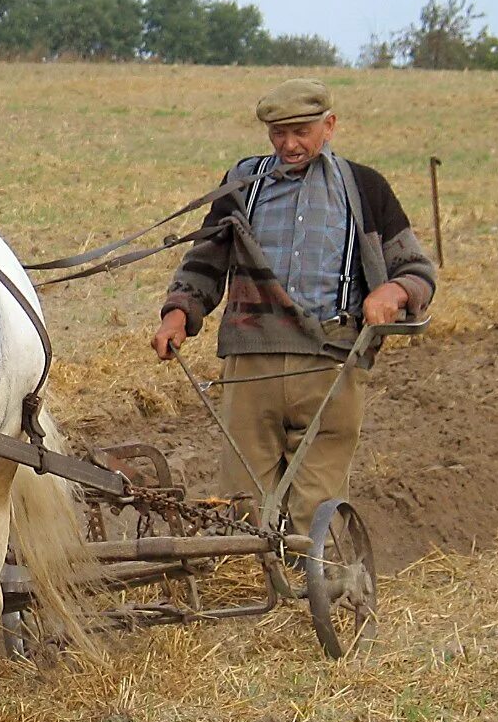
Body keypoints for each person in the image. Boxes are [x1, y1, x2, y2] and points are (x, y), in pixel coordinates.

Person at [151, 78, 437, 532]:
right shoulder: (242, 184)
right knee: (241, 505)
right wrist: (178, 313)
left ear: (329, 126)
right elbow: (205, 260)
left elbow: (417, 270)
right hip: (252, 362)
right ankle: (254, 588)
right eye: (278, 133)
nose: (289, 144)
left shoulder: (365, 188)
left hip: (331, 363)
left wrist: (393, 292)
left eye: (301, 132)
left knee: (316, 508)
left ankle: (312, 585)